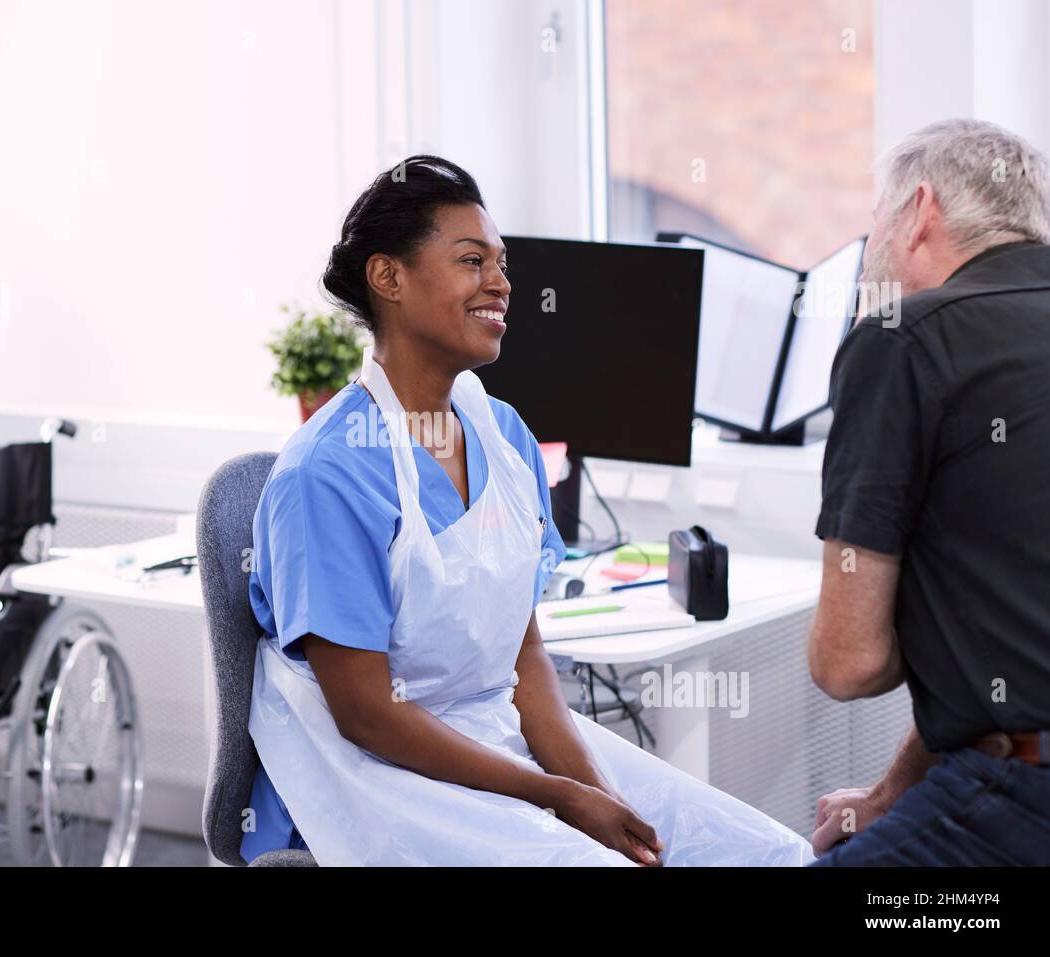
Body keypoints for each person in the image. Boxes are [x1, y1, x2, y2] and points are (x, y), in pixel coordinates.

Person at [240, 155, 813, 866]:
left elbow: (524, 653)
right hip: (376, 777)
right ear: (389, 278)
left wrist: (599, 795)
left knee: (766, 853)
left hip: (492, 738)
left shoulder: (506, 437)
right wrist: (554, 796)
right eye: (472, 260)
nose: (502, 283)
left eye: (502, 263)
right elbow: (365, 714)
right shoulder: (325, 472)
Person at [807, 119, 1050, 866]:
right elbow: (1002, 649)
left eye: (875, 220)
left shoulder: (903, 337)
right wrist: (887, 797)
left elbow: (847, 662)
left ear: (919, 212)